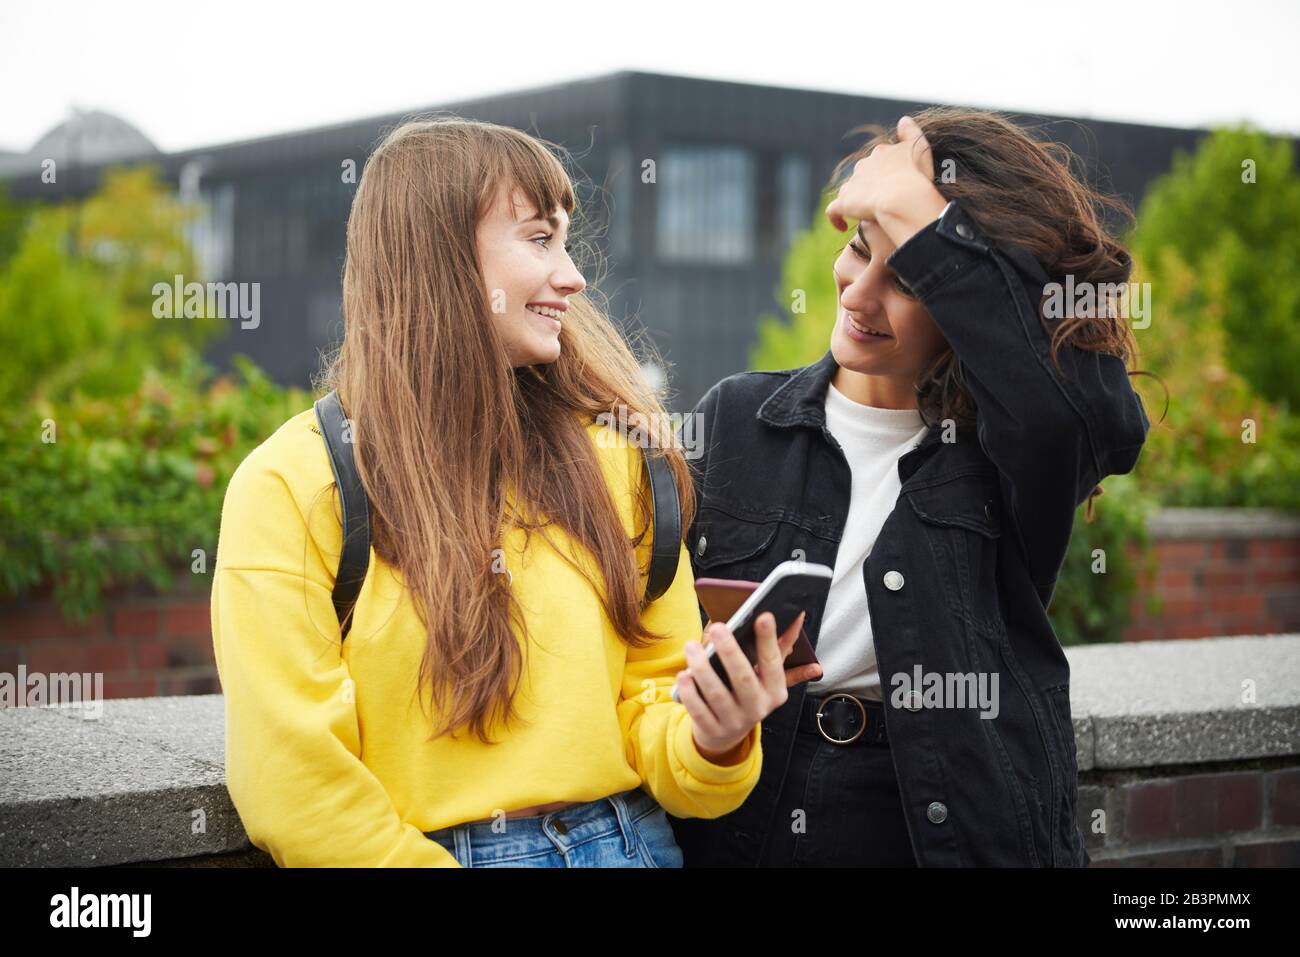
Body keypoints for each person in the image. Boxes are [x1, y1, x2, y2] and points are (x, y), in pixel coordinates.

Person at [210, 117, 804, 868]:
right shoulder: (294, 483)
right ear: (443, 259)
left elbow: (656, 712)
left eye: (564, 240)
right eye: (538, 239)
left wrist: (715, 738)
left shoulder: (619, 460)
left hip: (634, 845)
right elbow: (295, 787)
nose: (573, 276)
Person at [668, 110, 1151, 867]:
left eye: (906, 278)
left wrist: (922, 215)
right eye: (859, 250)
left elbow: (1097, 418)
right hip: (752, 804)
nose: (859, 295)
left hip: (945, 821)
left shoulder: (1009, 452)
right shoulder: (735, 417)